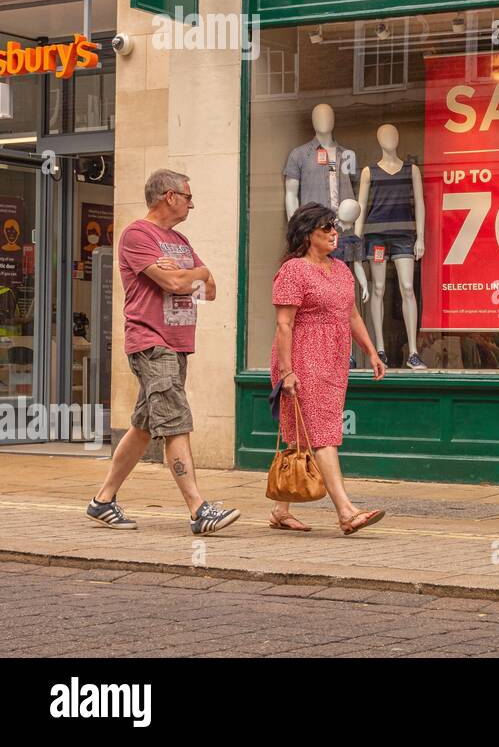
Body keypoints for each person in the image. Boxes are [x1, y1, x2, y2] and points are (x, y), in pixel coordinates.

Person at [87, 170, 240, 535]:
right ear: (169, 196)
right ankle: (198, 509)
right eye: (188, 196)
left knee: (142, 427)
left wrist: (194, 271)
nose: (192, 203)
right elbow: (175, 283)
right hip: (152, 342)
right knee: (175, 422)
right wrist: (191, 275)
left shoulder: (181, 241)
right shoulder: (138, 234)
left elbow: (210, 289)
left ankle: (102, 501)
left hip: (177, 344)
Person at [269, 202, 387, 535]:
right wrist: (287, 370)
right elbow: (284, 325)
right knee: (321, 435)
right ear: (308, 235)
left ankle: (280, 510)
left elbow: (352, 316)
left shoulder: (341, 270)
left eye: (334, 227)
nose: (335, 233)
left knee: (303, 434)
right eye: (326, 229)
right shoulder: (293, 271)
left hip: (335, 361)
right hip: (303, 358)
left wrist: (372, 352)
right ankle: (346, 511)